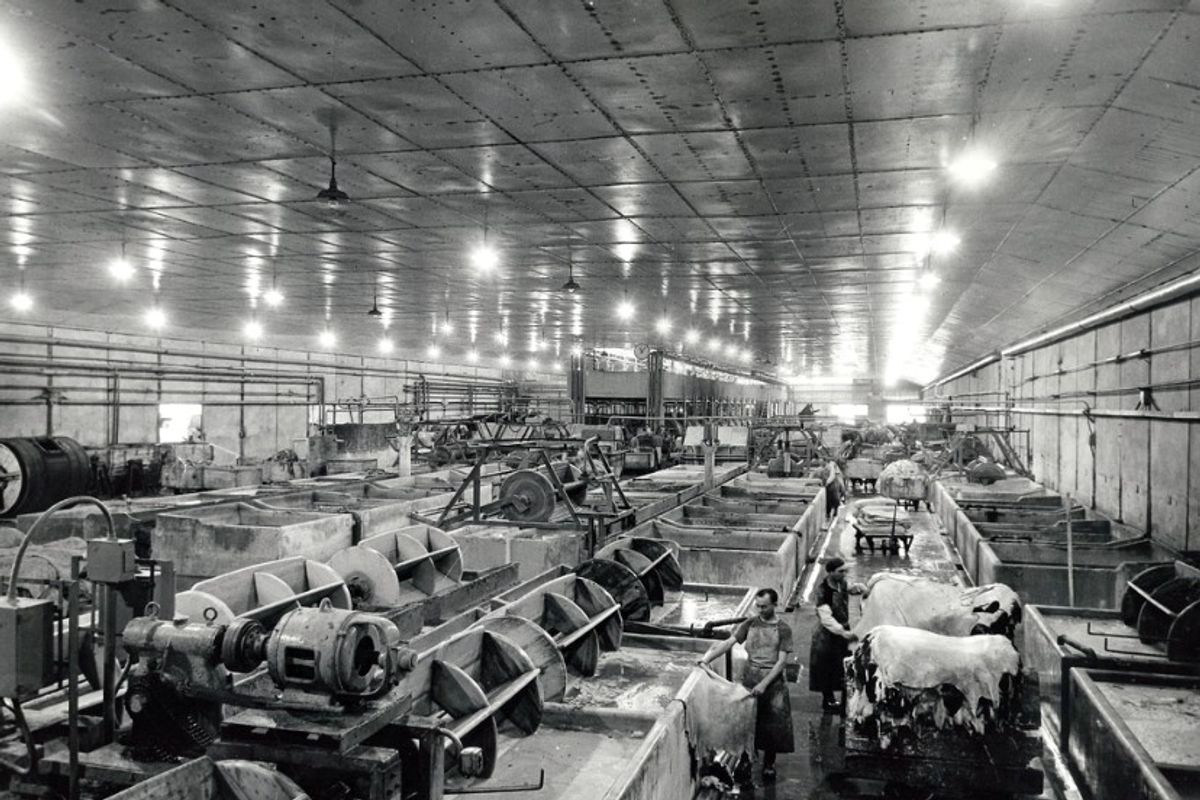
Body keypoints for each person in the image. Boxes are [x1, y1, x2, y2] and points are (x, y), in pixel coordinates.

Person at [698, 588, 794, 780]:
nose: (760, 610)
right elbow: (729, 642)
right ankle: (747, 759)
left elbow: (781, 662)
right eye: (757, 606)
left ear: (775, 605)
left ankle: (769, 763)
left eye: (764, 607)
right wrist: (706, 659)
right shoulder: (749, 624)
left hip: (772, 682)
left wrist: (764, 684)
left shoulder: (783, 629)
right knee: (747, 721)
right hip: (750, 676)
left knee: (771, 723)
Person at [809, 557, 867, 712]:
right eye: (840, 571)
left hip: (842, 632)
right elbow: (826, 618)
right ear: (830, 572)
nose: (844, 574)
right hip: (827, 635)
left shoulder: (841, 583)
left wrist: (858, 588)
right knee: (825, 667)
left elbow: (848, 590)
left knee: (842, 667)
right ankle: (827, 701)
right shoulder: (823, 591)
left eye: (844, 571)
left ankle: (842, 701)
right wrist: (843, 633)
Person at [823, 460, 844, 524]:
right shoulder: (830, 468)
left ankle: (832, 514)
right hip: (831, 486)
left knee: (832, 500)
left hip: (831, 485)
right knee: (832, 500)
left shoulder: (831, 468)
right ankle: (831, 514)